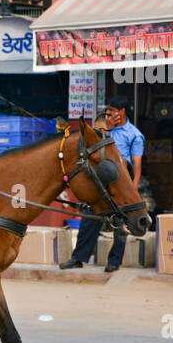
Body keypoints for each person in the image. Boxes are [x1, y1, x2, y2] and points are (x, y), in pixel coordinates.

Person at [60, 95, 145, 273]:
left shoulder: (134, 135)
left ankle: (114, 262)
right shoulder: (104, 130)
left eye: (111, 112)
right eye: (106, 113)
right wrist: (108, 126)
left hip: (121, 183)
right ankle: (78, 258)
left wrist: (133, 187)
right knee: (90, 219)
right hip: (100, 181)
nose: (107, 115)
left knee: (120, 225)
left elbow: (137, 163)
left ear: (121, 112)